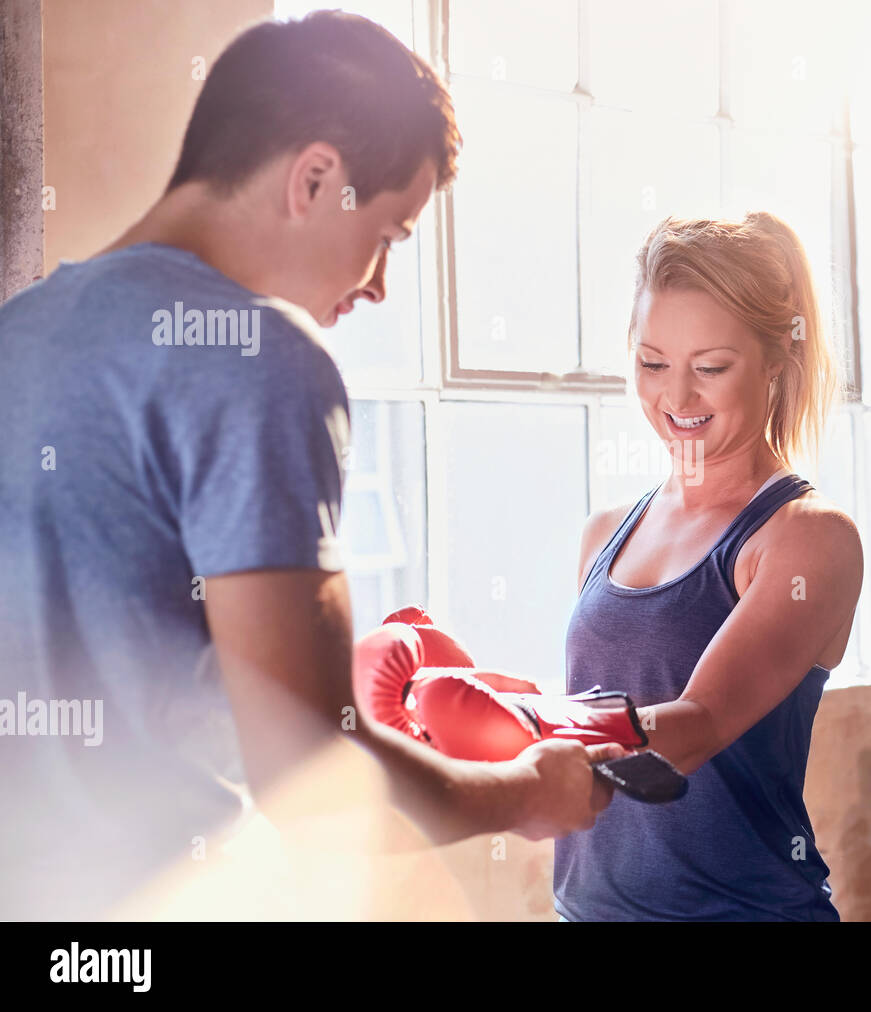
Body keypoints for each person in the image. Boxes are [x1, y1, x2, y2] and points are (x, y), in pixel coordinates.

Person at [0, 10, 618, 920]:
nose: (375, 284)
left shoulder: (22, 332)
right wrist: (531, 793)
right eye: (391, 234)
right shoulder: (260, 361)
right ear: (317, 178)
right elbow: (313, 770)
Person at [553, 213, 864, 921]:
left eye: (711, 368)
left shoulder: (805, 539)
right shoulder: (605, 533)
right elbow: (591, 713)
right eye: (653, 362)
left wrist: (520, 742)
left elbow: (696, 725)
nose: (676, 399)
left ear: (777, 360)